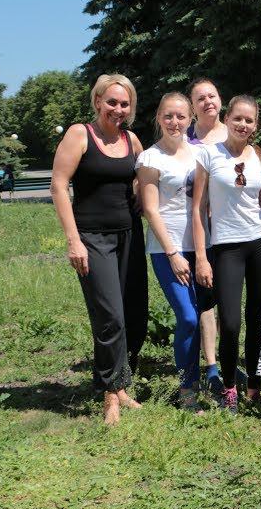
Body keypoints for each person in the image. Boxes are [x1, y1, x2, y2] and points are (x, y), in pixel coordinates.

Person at [50, 74, 148, 426]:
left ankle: (118, 384)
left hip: (130, 235)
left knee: (134, 315)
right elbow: (58, 185)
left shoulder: (131, 140)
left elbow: (142, 177)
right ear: (97, 102)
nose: (118, 109)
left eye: (124, 104)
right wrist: (73, 239)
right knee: (111, 316)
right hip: (92, 237)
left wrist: (143, 197)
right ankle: (111, 394)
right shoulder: (80, 134)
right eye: (112, 102)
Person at [191, 95, 261, 413]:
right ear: (227, 118)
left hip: (260, 243)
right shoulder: (208, 154)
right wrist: (201, 256)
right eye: (238, 118)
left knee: (256, 318)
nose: (243, 124)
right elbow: (199, 209)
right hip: (226, 247)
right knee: (230, 322)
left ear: (255, 125)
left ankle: (253, 385)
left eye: (249, 120)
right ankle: (228, 388)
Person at [135, 92, 204, 411]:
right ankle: (187, 388)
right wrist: (173, 253)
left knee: (201, 316)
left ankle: (204, 378)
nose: (174, 122)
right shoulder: (151, 158)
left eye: (180, 116)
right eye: (168, 116)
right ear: (159, 118)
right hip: (167, 249)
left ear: (191, 118)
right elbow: (150, 209)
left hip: (201, 246)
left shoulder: (201, 154)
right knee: (188, 317)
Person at [185, 78, 228, 393]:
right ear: (192, 105)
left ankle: (230, 360)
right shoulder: (183, 138)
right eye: (200, 98)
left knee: (228, 298)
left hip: (230, 230)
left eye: (211, 95)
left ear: (220, 99)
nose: (207, 101)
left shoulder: (234, 132)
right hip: (195, 229)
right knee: (205, 299)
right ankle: (211, 367)